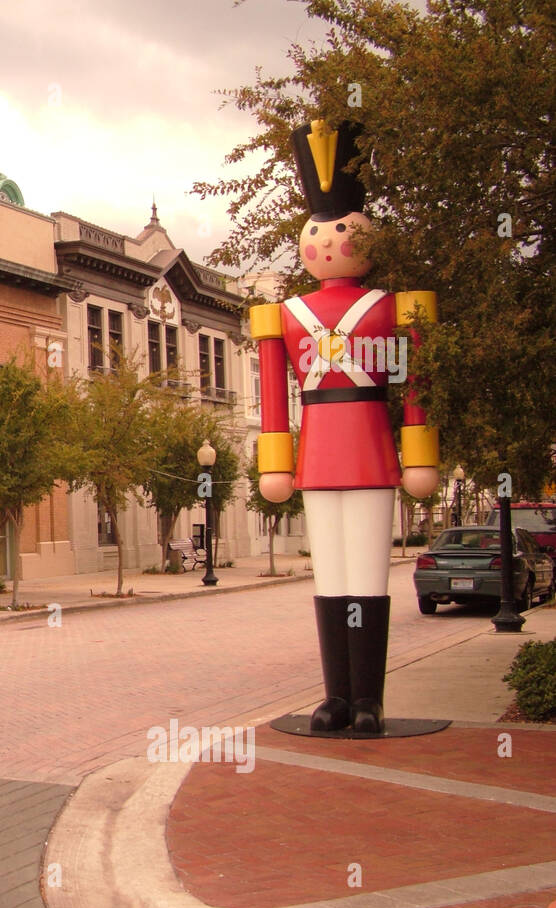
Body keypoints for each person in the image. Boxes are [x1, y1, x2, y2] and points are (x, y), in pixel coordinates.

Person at [253, 119, 438, 733]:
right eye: (318, 229)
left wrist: (419, 452)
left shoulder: (392, 306)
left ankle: (369, 700)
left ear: (361, 232)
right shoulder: (285, 313)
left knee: (368, 575)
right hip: (318, 455)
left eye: (340, 227)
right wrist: (274, 463)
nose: (328, 240)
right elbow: (277, 400)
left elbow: (415, 382)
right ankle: (337, 695)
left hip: (369, 450)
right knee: (329, 576)